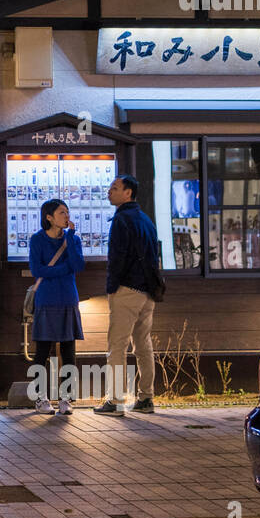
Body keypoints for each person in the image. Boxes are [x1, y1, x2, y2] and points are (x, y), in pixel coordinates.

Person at [95, 174, 161, 416]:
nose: (109, 191)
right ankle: (146, 398)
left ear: (128, 193)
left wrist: (112, 288)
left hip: (127, 290)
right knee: (143, 344)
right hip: (148, 291)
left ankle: (115, 401)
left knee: (117, 346)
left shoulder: (122, 220)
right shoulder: (145, 219)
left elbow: (117, 258)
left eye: (114, 188)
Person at [28, 198, 84, 415]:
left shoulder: (73, 239)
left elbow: (78, 265)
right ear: (48, 217)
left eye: (67, 212)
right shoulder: (37, 240)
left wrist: (70, 239)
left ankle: (66, 398)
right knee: (42, 351)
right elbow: (37, 270)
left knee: (69, 351)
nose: (66, 216)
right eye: (61, 212)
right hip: (46, 299)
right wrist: (64, 268)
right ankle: (40, 398)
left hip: (68, 297)